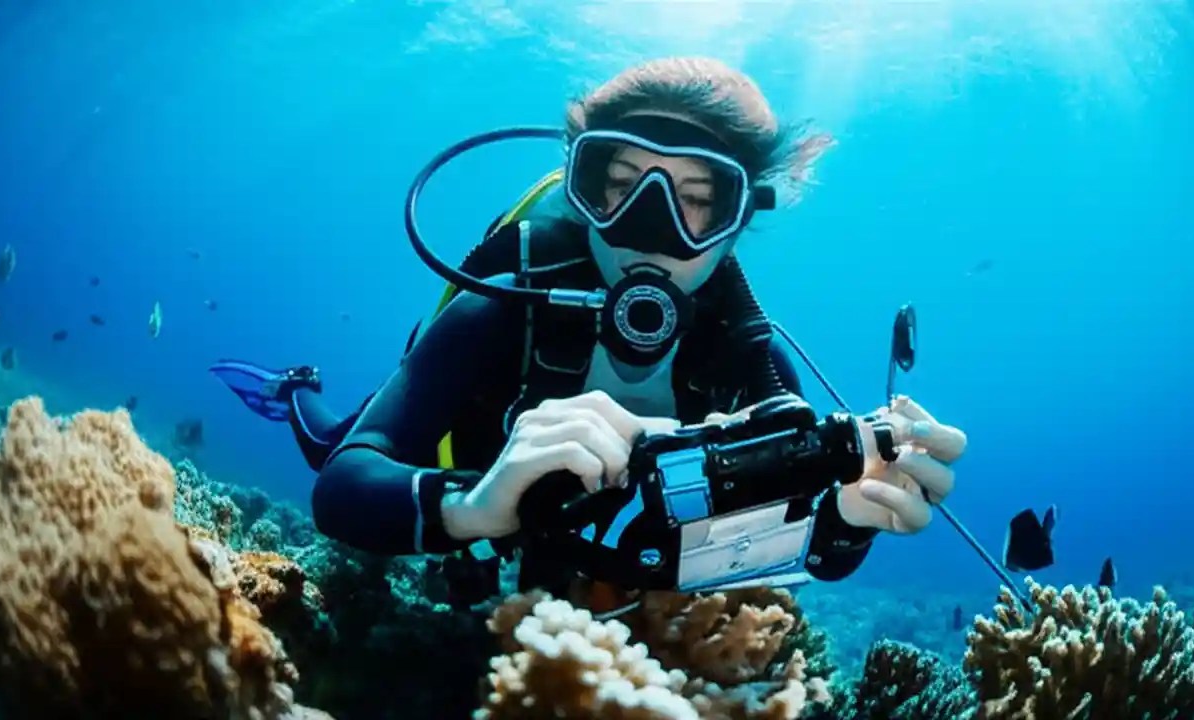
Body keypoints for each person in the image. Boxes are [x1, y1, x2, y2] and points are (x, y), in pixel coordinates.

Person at [214, 57, 968, 605]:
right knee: (325, 435)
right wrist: (473, 506)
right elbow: (343, 487)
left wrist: (844, 520)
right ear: (582, 189)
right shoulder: (504, 308)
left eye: (698, 199)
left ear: (739, 221)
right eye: (618, 184)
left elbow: (817, 547)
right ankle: (295, 390)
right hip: (469, 476)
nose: (649, 229)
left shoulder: (751, 360)